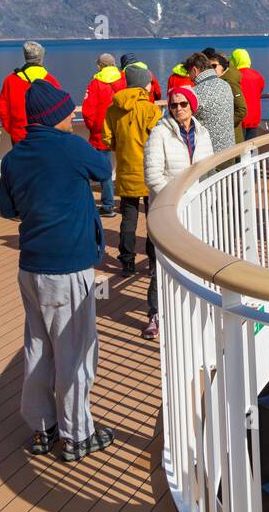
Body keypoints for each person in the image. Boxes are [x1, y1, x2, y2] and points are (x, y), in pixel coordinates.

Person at [0, 79, 114, 463]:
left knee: (38, 347)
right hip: (67, 268)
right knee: (75, 353)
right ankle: (77, 435)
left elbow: (8, 209)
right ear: (54, 116)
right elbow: (102, 168)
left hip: (31, 265)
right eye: (68, 111)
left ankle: (42, 428)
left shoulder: (15, 156)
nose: (74, 114)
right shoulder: (69, 146)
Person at [142, 85, 214, 340]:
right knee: (161, 265)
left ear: (192, 106)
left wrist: (204, 198)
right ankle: (156, 314)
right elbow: (152, 176)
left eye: (183, 104)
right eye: (173, 105)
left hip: (198, 209)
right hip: (168, 211)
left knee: (195, 261)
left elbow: (208, 170)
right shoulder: (159, 134)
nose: (178, 109)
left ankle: (194, 310)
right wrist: (176, 198)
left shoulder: (203, 133)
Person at [103, 68, 162, 302]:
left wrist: (121, 149)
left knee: (128, 218)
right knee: (152, 219)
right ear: (144, 85)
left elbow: (107, 138)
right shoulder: (150, 109)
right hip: (148, 171)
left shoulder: (113, 109)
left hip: (126, 169)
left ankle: (126, 262)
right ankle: (152, 261)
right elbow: (158, 137)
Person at [80, 52, 125, 218]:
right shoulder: (124, 80)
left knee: (104, 169)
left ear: (99, 65)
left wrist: (93, 128)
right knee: (125, 166)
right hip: (122, 129)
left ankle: (108, 205)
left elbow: (88, 110)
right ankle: (127, 203)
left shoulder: (95, 84)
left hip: (101, 132)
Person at [0, 41, 60, 144]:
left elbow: (3, 110)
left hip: (19, 137)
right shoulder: (51, 81)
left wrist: (12, 130)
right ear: (41, 58)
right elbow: (59, 110)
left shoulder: (10, 80)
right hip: (45, 137)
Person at [184, 51, 235, 153]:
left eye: (189, 73)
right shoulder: (225, 85)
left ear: (195, 70)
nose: (189, 77)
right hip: (229, 149)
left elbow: (184, 120)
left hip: (210, 154)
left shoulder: (196, 92)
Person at [206, 51, 248, 143]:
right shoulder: (216, 81)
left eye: (214, 66)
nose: (211, 69)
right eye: (208, 67)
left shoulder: (229, 82)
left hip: (232, 137)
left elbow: (241, 110)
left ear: (223, 66)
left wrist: (225, 125)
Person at [231, 48, 266, 141]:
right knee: (249, 148)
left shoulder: (235, 77)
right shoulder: (258, 76)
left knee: (239, 148)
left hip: (239, 119)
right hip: (254, 118)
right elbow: (260, 90)